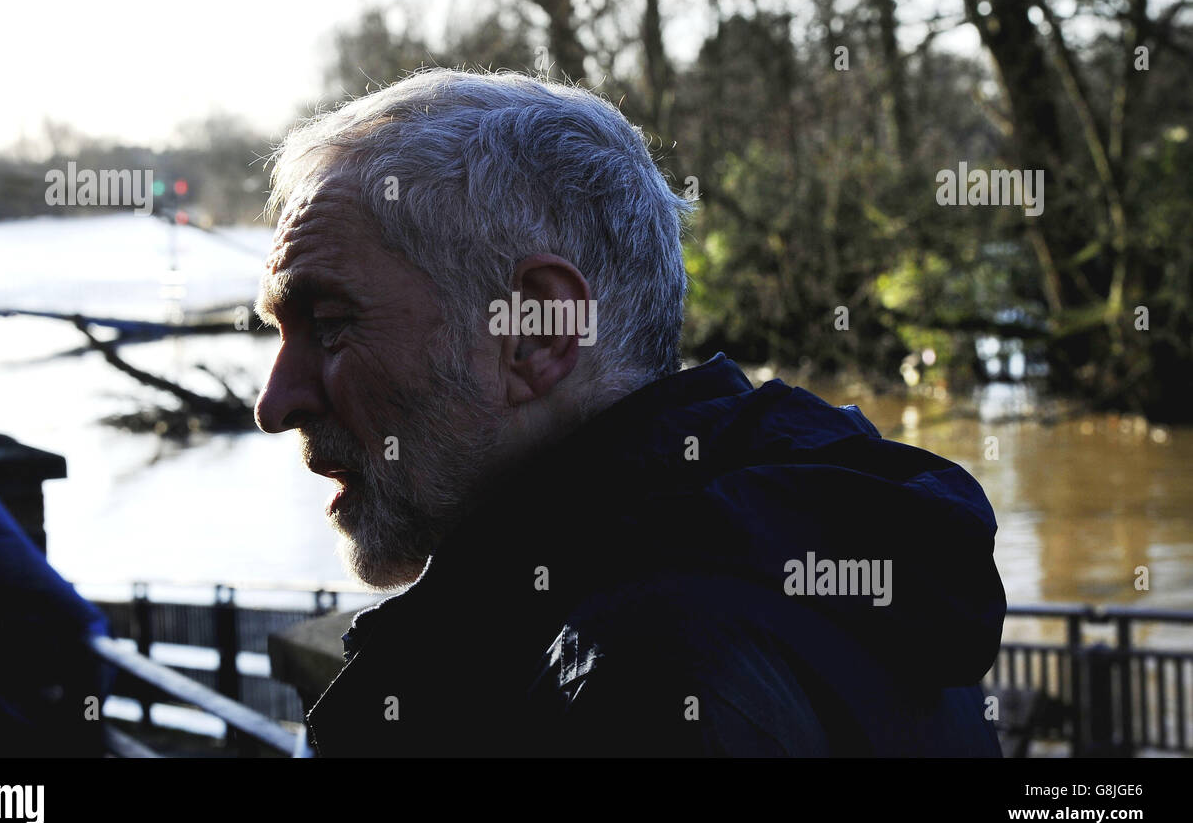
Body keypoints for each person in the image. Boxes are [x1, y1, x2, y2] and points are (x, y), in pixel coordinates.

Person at [254, 69, 1005, 757]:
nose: (274, 402)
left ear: (533, 331)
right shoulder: (826, 550)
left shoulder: (639, 679)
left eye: (331, 324)